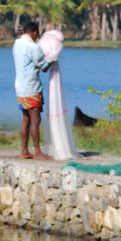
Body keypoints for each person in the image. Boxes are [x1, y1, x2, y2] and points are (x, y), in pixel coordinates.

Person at [38, 27, 80, 161]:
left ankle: (54, 146)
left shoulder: (49, 44)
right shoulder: (54, 45)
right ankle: (58, 145)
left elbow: (44, 66)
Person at [12, 19, 50, 159]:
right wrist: (52, 59)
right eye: (37, 34)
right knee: (35, 119)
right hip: (31, 87)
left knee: (26, 119)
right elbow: (44, 67)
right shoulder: (33, 47)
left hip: (20, 87)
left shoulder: (17, 44)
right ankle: (38, 152)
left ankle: (24, 151)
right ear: (34, 33)